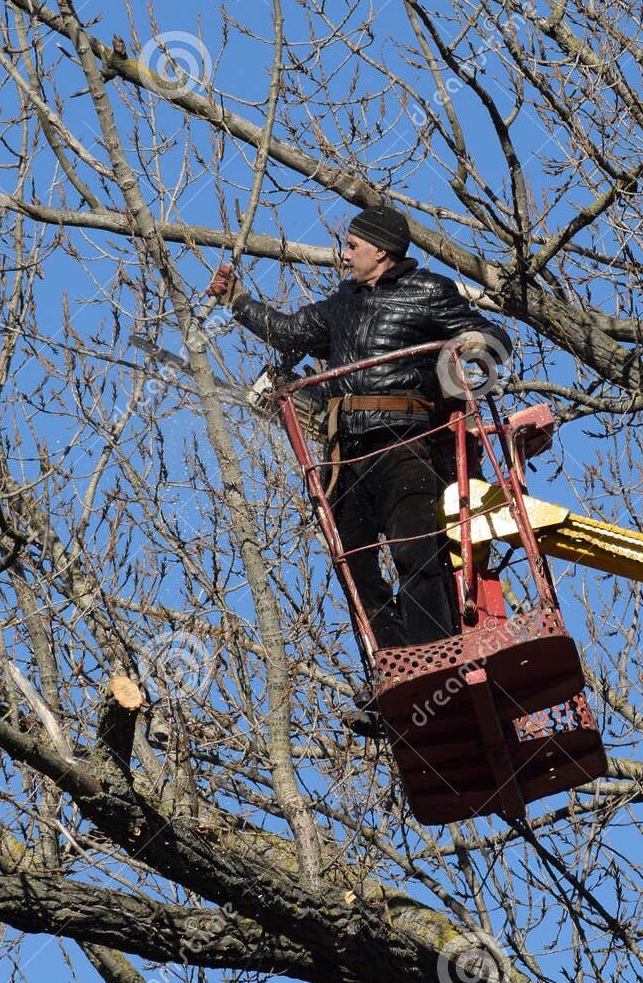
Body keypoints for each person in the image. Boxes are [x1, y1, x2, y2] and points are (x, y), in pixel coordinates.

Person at [208, 204, 509, 660]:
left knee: (416, 552)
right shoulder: (341, 305)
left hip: (404, 443)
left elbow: (492, 337)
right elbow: (288, 332)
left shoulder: (428, 291)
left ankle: (433, 659)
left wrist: (469, 345)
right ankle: (393, 662)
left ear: (382, 251)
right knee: (354, 564)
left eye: (352, 246)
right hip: (347, 457)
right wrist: (236, 300)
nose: (345, 255)